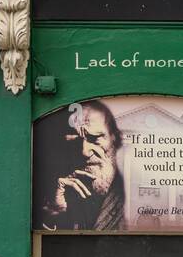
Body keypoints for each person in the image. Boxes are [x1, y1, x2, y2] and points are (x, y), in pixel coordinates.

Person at [40, 99, 126, 231]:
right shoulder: (64, 194)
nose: (84, 152)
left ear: (116, 138)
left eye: (95, 138)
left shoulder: (128, 197)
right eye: (75, 141)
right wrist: (54, 214)